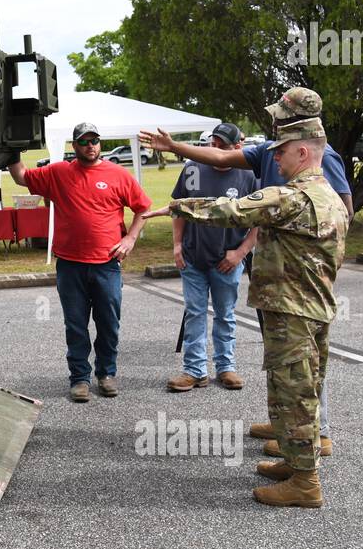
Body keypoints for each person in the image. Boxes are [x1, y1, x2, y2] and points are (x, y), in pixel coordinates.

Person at [141, 117, 349, 507]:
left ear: (302, 152)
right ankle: (294, 460)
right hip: (313, 309)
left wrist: (176, 207)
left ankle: (305, 483)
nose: (276, 160)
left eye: (282, 152)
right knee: (303, 388)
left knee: (296, 394)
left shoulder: (292, 197)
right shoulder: (330, 196)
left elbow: (232, 210)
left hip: (293, 313)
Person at [7, 123, 152, 402]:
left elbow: (143, 209)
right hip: (70, 264)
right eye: (84, 142)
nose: (90, 146)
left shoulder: (117, 175)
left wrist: (130, 239)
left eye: (95, 140)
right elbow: (21, 177)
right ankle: (80, 379)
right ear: (74, 146)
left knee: (109, 322)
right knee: (75, 325)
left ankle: (106, 374)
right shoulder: (59, 172)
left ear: (100, 143)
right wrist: (11, 149)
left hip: (106, 264)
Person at [168, 122, 257, 392]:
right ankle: (194, 371)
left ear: (237, 147)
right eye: (213, 143)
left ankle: (226, 367)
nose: (215, 149)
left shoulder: (250, 175)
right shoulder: (193, 168)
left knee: (225, 314)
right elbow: (178, 208)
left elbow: (260, 221)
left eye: (222, 146)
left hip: (227, 260)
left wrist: (240, 252)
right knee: (195, 313)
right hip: (193, 258)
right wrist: (177, 244)